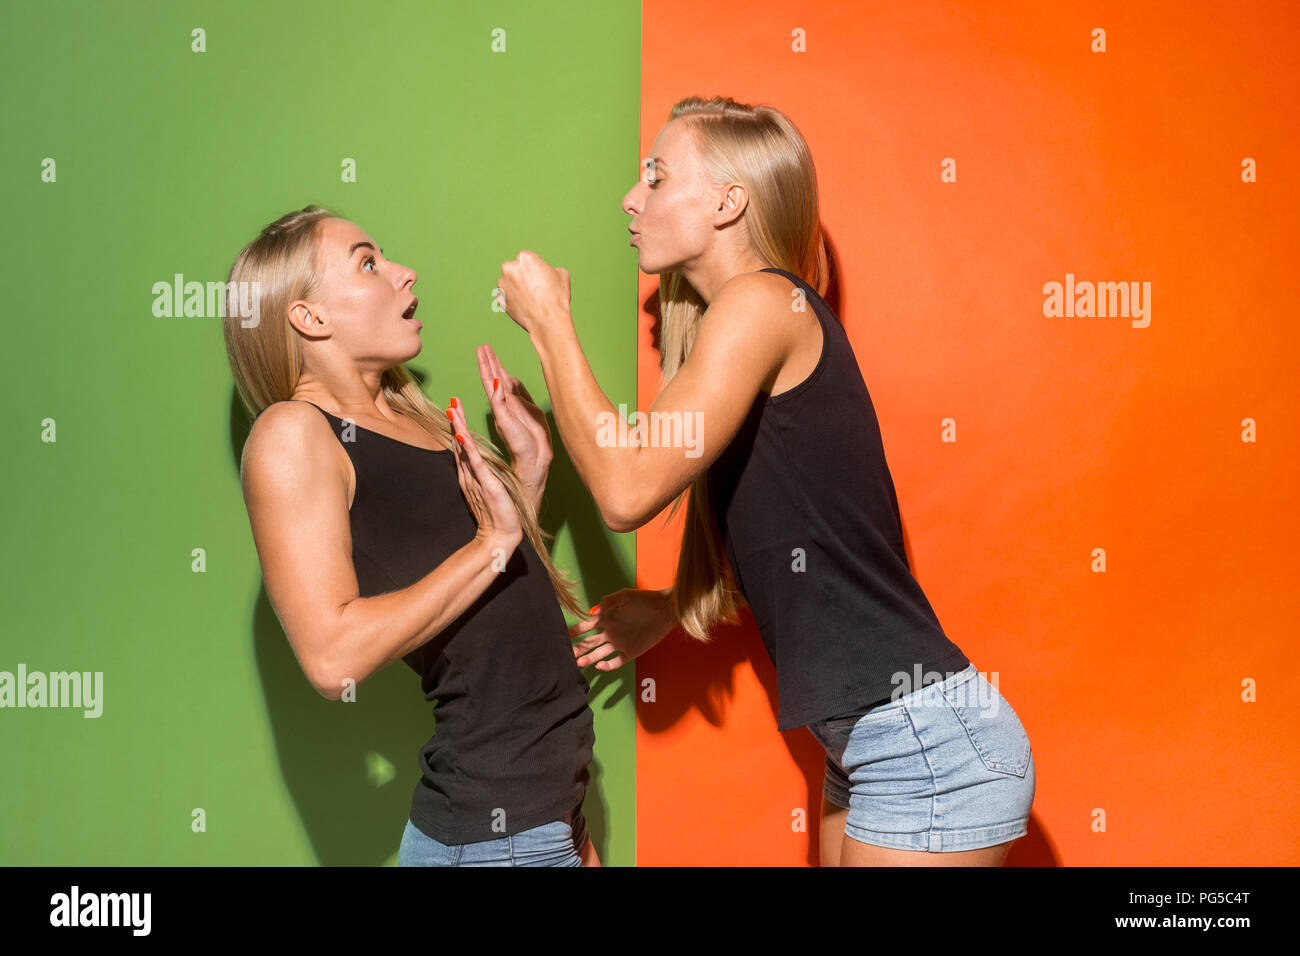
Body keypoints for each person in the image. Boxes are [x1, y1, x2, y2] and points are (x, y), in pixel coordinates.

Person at [494, 95, 1035, 866]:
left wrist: (550, 324)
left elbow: (622, 491)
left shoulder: (762, 303)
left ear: (728, 200)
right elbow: (796, 538)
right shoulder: (751, 321)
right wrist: (671, 608)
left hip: (924, 748)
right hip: (871, 743)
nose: (630, 196)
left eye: (655, 174)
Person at [223, 205, 598, 866]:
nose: (404, 273)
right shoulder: (292, 433)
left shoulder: (413, 420)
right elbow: (331, 657)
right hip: (495, 832)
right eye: (368, 262)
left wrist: (530, 473)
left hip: (550, 811)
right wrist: (490, 545)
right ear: (310, 318)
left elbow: (496, 599)